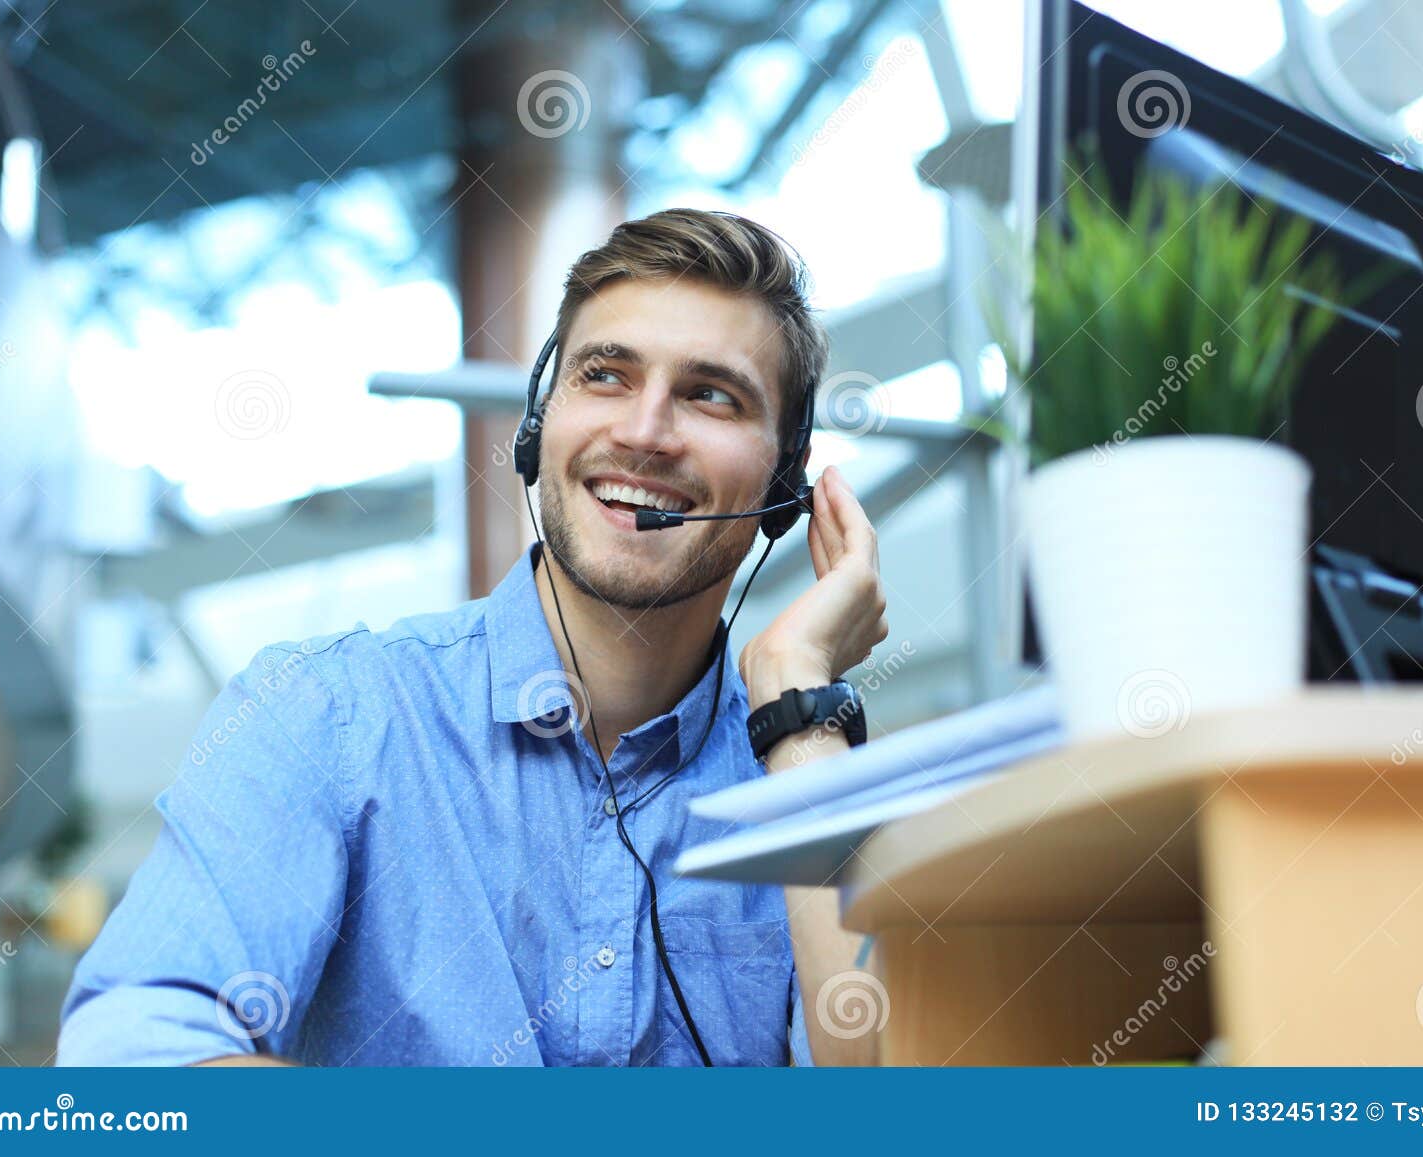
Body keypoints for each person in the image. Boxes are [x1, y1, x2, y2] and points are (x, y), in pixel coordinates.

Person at [56, 208, 888, 1066]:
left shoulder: (806, 775)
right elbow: (131, 1053)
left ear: (787, 484)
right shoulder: (326, 713)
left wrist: (797, 698)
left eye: (710, 393)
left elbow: (902, 1101)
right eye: (605, 374)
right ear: (537, 428)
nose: (643, 432)